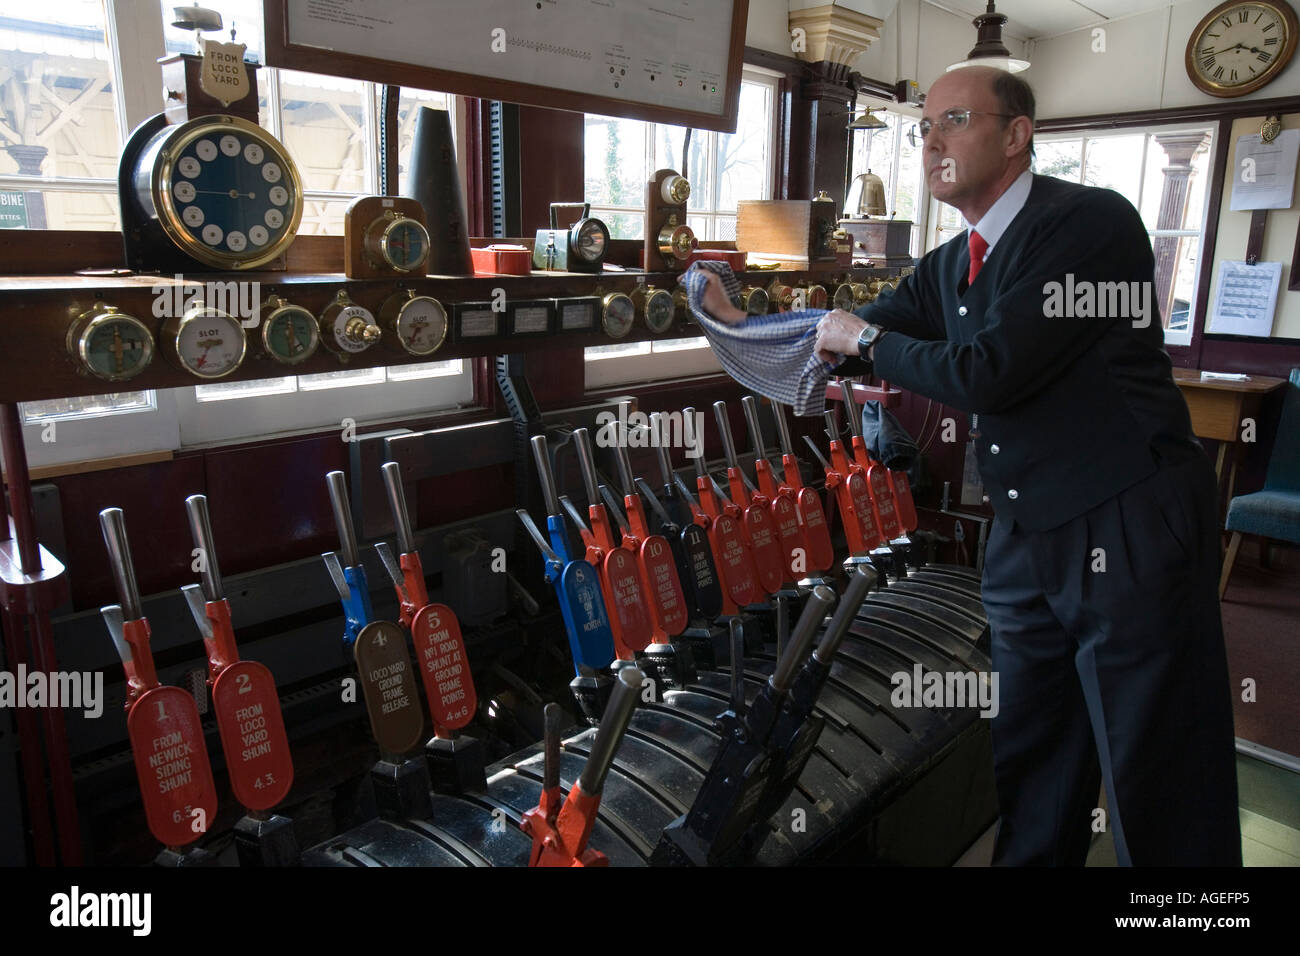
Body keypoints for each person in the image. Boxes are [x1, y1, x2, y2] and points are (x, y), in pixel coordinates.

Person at [697, 65, 1240, 866]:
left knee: (1157, 768)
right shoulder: (955, 265)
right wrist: (736, 319)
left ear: (1017, 135)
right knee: (1033, 754)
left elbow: (992, 370)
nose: (932, 142)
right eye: (923, 129)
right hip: (1026, 531)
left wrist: (868, 343)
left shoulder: (1091, 225)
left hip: (1128, 521)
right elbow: (837, 333)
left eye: (953, 120)